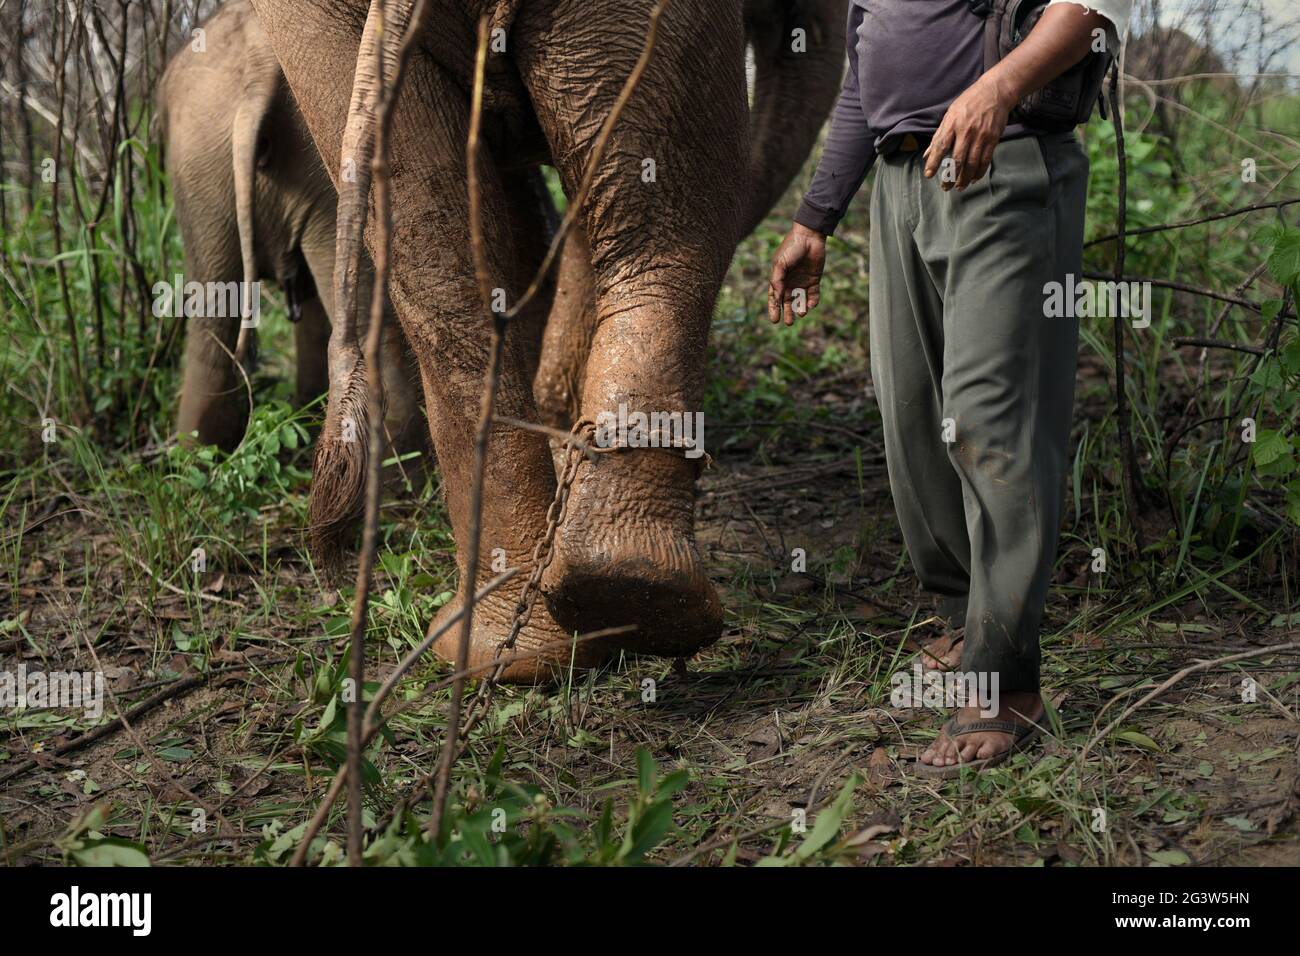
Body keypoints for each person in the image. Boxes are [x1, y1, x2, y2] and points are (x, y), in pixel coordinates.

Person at [767, 0, 1132, 774]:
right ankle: (965, 619)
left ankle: (1008, 681)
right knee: (912, 414)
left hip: (1008, 162)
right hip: (901, 179)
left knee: (989, 420)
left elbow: (1086, 14)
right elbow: (867, 70)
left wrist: (998, 88)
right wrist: (816, 216)